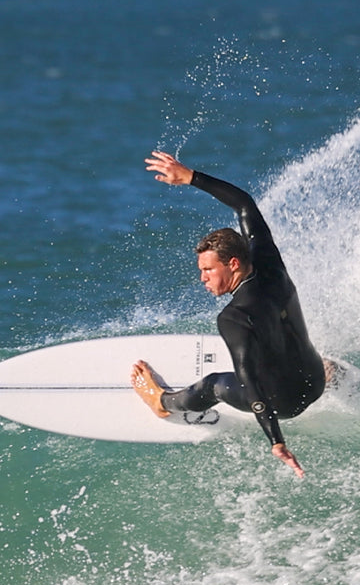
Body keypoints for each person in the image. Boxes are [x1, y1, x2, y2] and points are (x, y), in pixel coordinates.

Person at [131, 150, 325, 479]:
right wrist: (191, 177)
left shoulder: (234, 318)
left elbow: (249, 381)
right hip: (316, 380)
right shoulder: (270, 264)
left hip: (286, 404)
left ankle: (161, 402)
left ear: (233, 263)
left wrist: (276, 440)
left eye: (208, 270)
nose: (202, 278)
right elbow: (245, 205)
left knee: (215, 384)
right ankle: (332, 372)